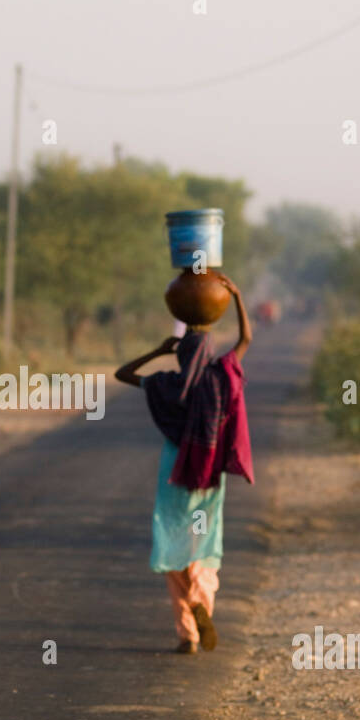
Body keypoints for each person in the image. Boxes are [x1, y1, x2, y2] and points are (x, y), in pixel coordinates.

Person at [115, 273, 253, 653]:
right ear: (208, 352)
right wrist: (236, 297)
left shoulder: (166, 384)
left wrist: (158, 352)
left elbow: (122, 374)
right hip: (206, 476)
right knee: (203, 543)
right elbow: (245, 340)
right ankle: (200, 600)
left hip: (173, 474)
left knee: (175, 543)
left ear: (181, 355)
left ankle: (187, 635)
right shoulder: (221, 376)